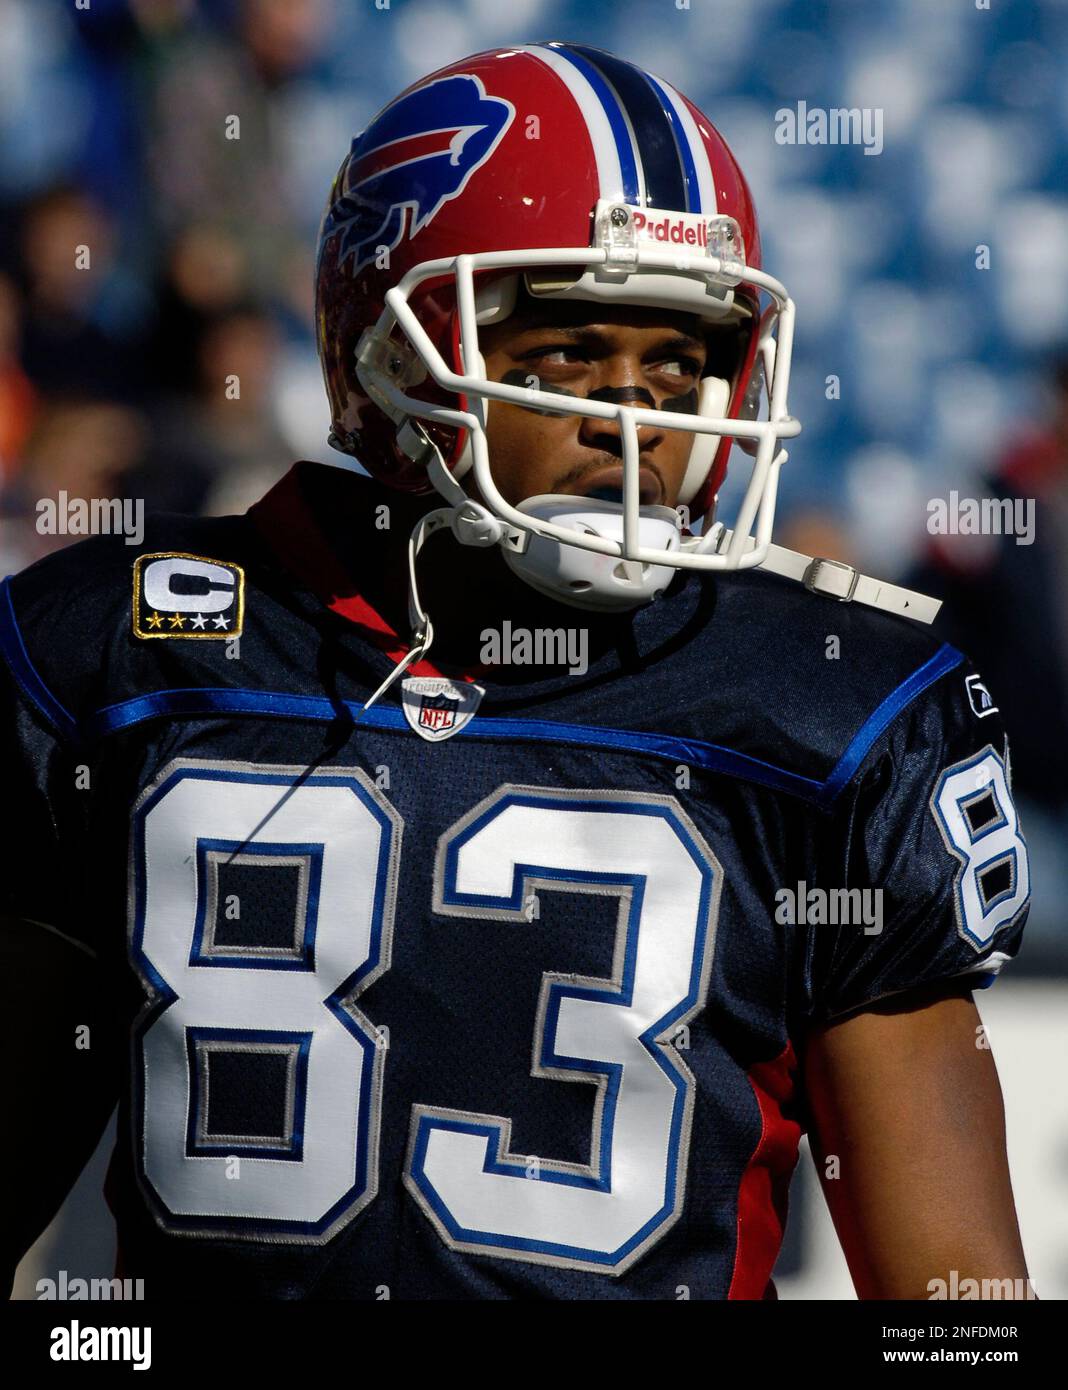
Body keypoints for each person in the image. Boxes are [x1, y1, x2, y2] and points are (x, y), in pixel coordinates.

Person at [0, 43, 1033, 1300]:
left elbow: (960, 1301)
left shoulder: (828, 706)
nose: (635, 413)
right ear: (384, 354)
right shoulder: (117, 656)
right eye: (567, 350)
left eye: (680, 358)